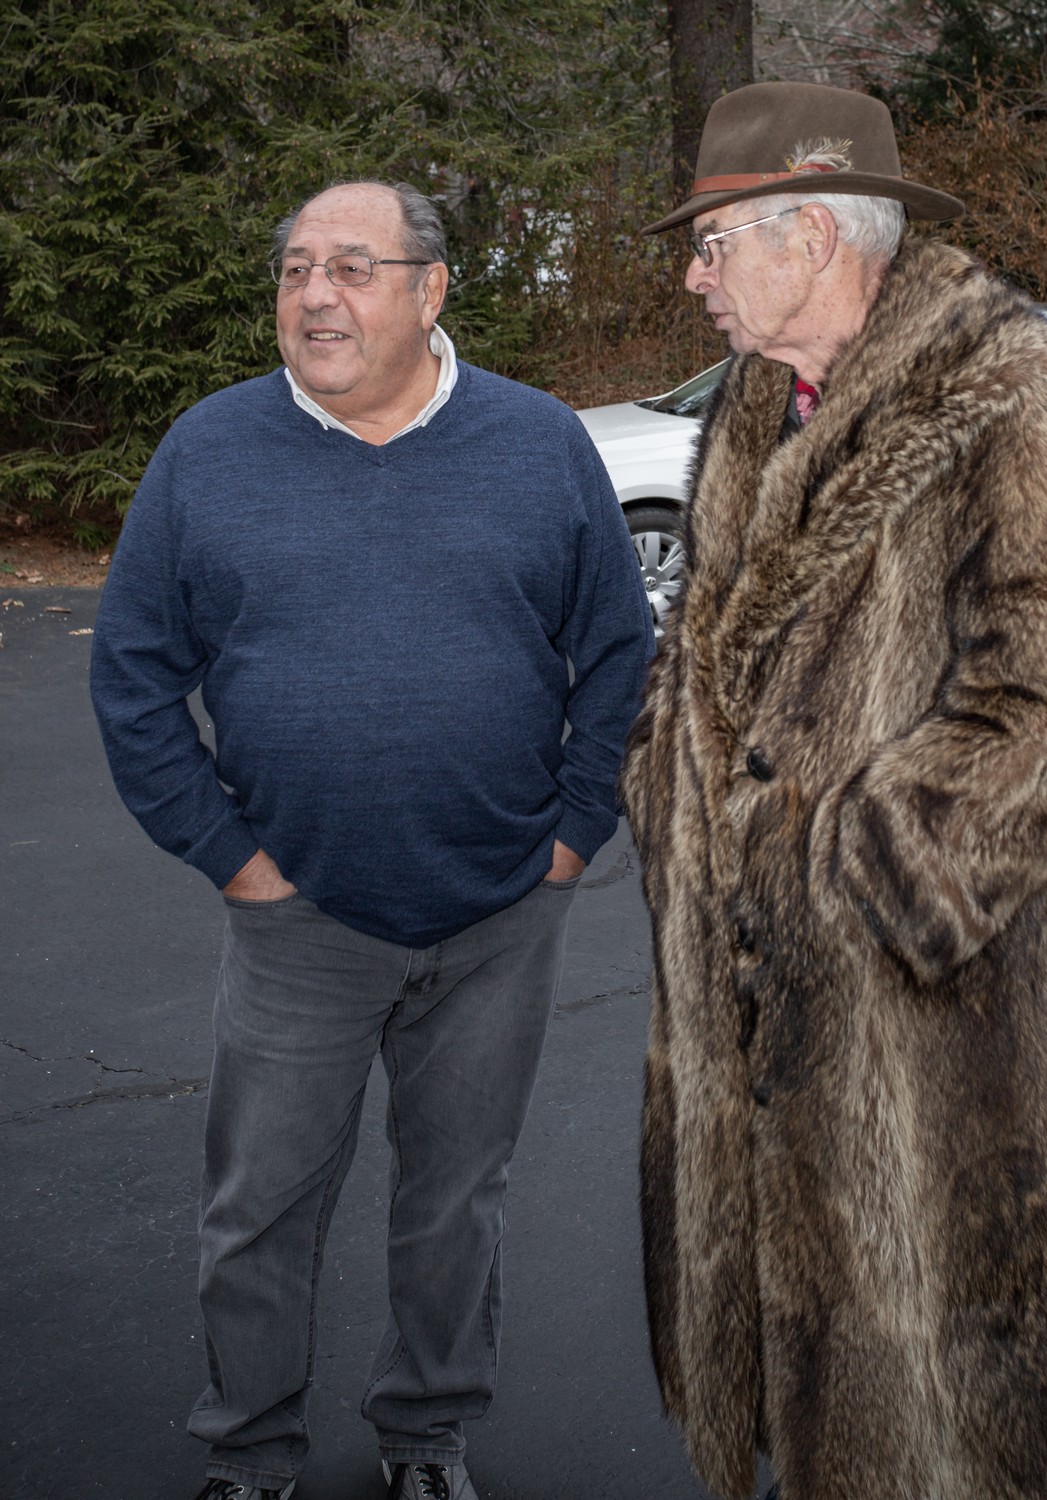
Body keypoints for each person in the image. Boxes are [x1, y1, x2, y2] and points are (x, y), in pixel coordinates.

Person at [620, 82, 1047, 1500]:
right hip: (744, 1010)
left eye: (715, 239)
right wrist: (664, 785)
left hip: (922, 1031)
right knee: (798, 1398)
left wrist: (868, 869)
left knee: (928, 1409)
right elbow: (721, 664)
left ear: (811, 232)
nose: (694, 274)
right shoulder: (759, 402)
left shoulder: (1003, 400)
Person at [90, 179, 654, 1500]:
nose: (314, 296)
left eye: (350, 266)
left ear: (430, 289)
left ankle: (426, 1438)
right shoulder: (207, 452)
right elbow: (131, 674)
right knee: (258, 1213)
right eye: (293, 270)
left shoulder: (540, 444)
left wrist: (573, 839)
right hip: (298, 921)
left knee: (455, 1206)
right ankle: (251, 1449)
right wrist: (234, 860)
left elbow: (620, 659)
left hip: (501, 911)